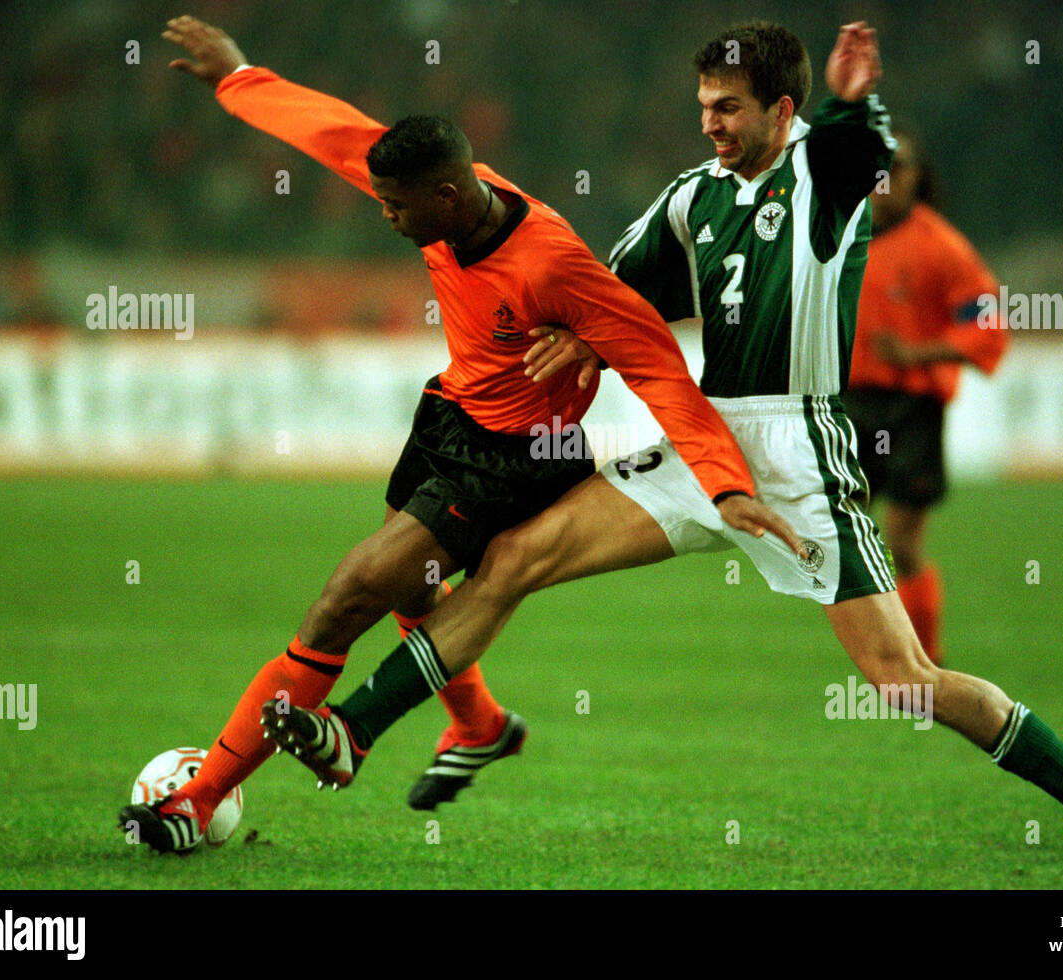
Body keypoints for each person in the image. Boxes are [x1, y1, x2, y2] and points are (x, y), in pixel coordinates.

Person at [266, 19, 1063, 863]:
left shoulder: (825, 177)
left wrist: (852, 96)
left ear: (780, 110)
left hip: (800, 452)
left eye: (728, 107)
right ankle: (353, 730)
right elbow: (612, 293)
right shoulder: (689, 198)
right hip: (703, 439)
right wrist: (583, 332)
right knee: (511, 556)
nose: (709, 122)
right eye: (703, 105)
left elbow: (855, 145)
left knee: (904, 680)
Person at [120, 15, 802, 854]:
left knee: (347, 597)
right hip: (449, 417)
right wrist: (238, 76)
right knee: (411, 593)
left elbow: (660, 365)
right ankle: (479, 724)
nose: (385, 218)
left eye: (395, 207)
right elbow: (330, 130)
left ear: (444, 198)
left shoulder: (554, 265)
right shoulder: (437, 190)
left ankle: (195, 802)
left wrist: (726, 484)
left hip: (513, 462)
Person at [843, 128, 1007, 665]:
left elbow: (987, 326)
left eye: (900, 166)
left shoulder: (942, 248)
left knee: (903, 543)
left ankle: (924, 662)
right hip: (849, 404)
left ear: (917, 177)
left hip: (912, 408)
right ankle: (883, 651)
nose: (887, 178)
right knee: (842, 534)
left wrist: (918, 354)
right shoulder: (840, 235)